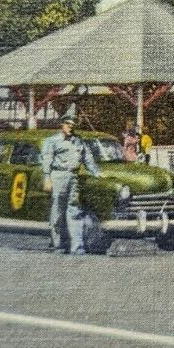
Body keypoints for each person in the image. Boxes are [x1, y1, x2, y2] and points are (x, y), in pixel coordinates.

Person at [40, 106, 101, 253]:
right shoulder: (53, 141)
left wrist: (96, 173)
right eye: (68, 124)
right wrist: (47, 178)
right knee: (57, 212)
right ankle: (58, 244)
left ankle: (77, 247)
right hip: (58, 176)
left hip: (73, 176)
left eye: (73, 125)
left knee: (74, 210)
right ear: (62, 124)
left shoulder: (79, 141)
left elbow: (88, 159)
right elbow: (46, 160)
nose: (71, 127)